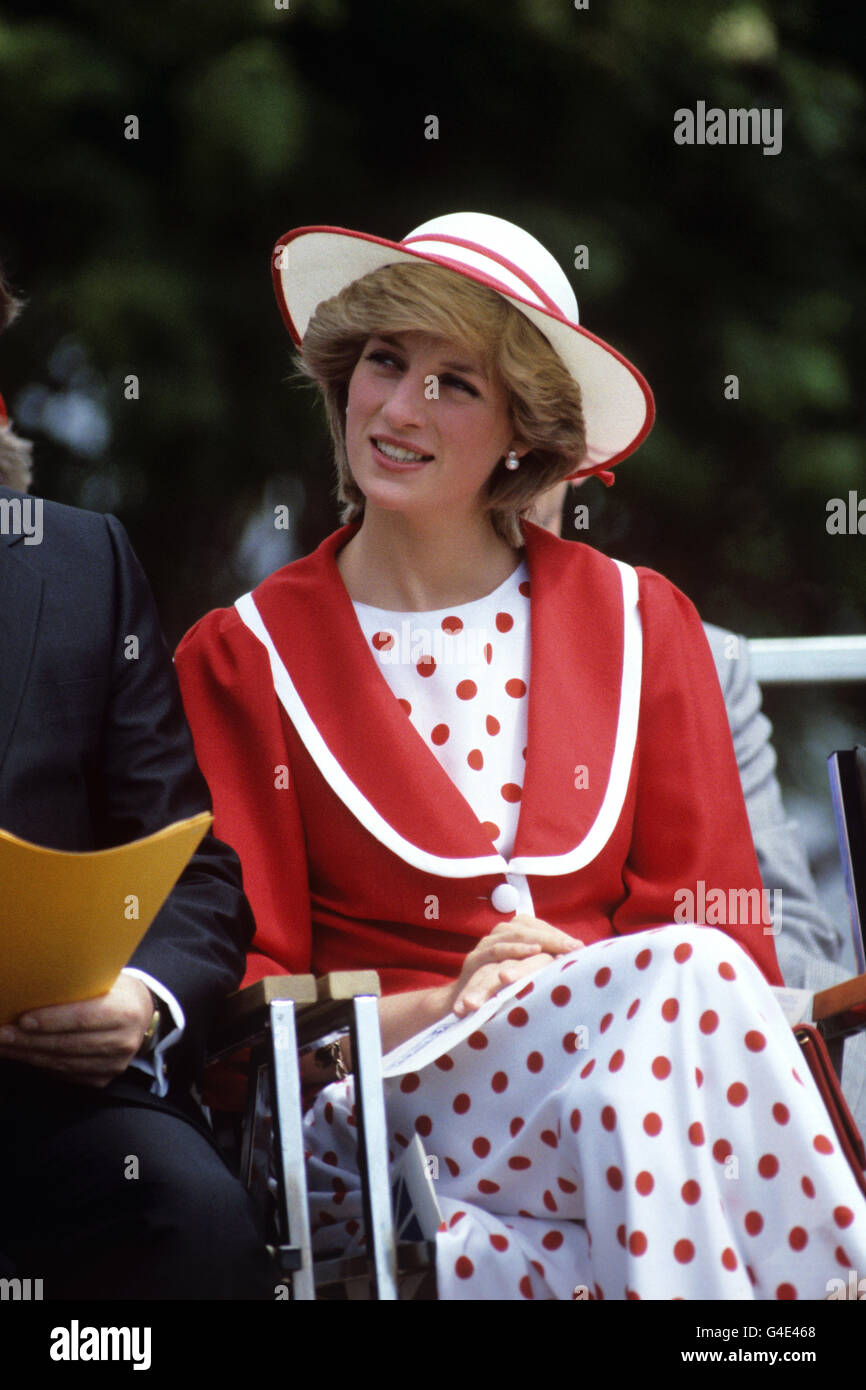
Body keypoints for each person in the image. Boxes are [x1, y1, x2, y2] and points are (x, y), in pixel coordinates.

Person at [175, 212, 866, 1300]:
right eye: (383, 363)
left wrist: (588, 997)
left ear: (521, 434)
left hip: (634, 1095)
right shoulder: (241, 654)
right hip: (383, 1112)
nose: (399, 407)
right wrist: (454, 996)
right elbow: (238, 1015)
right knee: (673, 1006)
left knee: (649, 1049)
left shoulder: (645, 622)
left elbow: (717, 931)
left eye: (454, 382)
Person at [0, 271, 273, 1299]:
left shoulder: (81, 561)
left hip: (54, 1097)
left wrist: (139, 998)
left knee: (196, 1218)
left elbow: (195, 868)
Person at [533, 477, 866, 1132]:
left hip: (694, 1064)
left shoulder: (704, 657)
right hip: (484, 1072)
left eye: (537, 433)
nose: (513, 461)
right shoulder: (315, 653)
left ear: (576, 458)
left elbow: (784, 926)